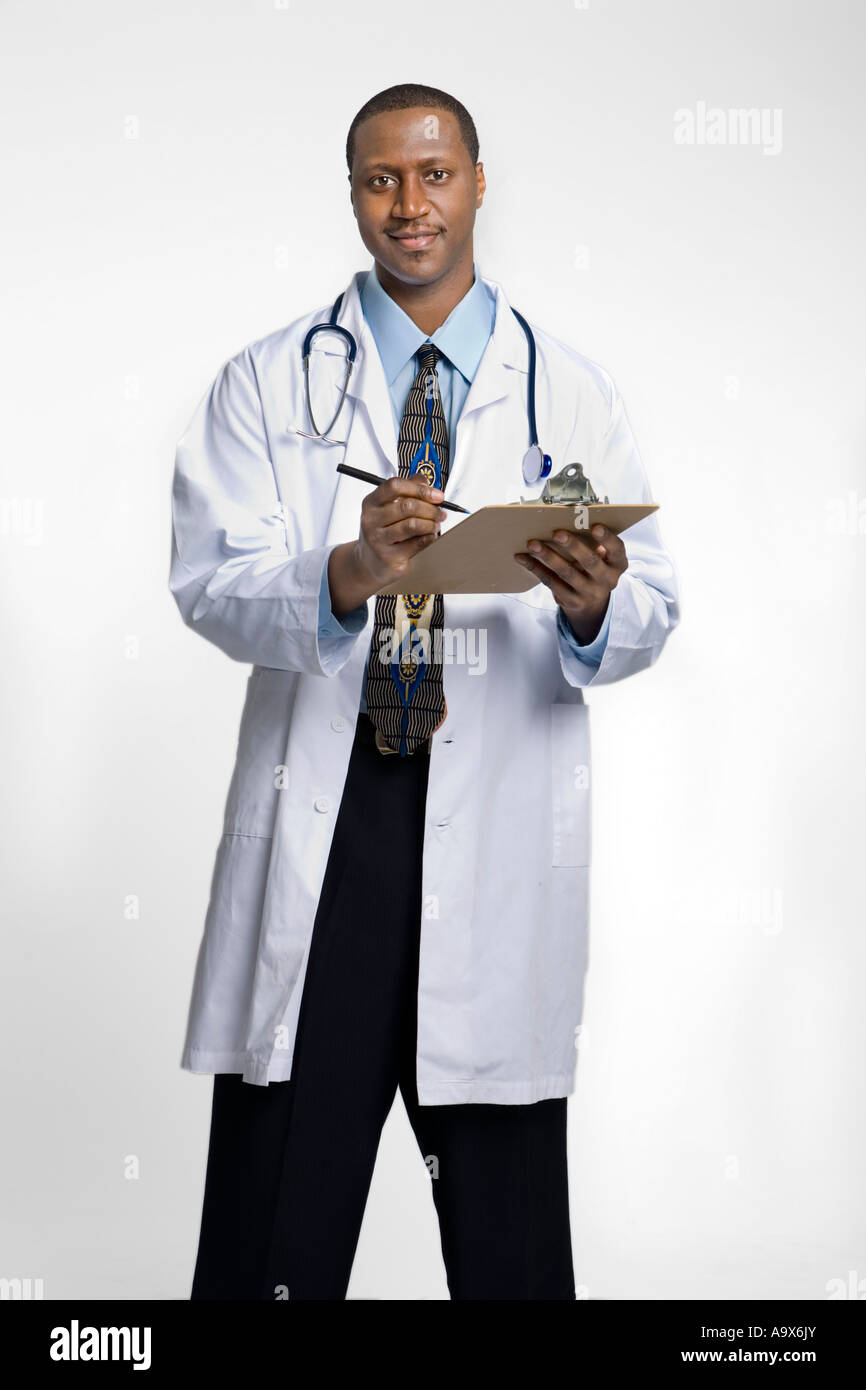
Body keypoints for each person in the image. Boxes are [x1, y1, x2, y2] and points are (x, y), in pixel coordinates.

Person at [170, 82, 680, 1301]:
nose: (410, 205)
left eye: (434, 174)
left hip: (494, 836)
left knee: (508, 1255)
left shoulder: (569, 388)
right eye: (381, 179)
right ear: (351, 194)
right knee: (268, 1247)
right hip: (330, 826)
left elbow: (652, 607)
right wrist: (346, 569)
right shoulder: (266, 380)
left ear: (478, 182)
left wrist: (591, 600)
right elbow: (207, 584)